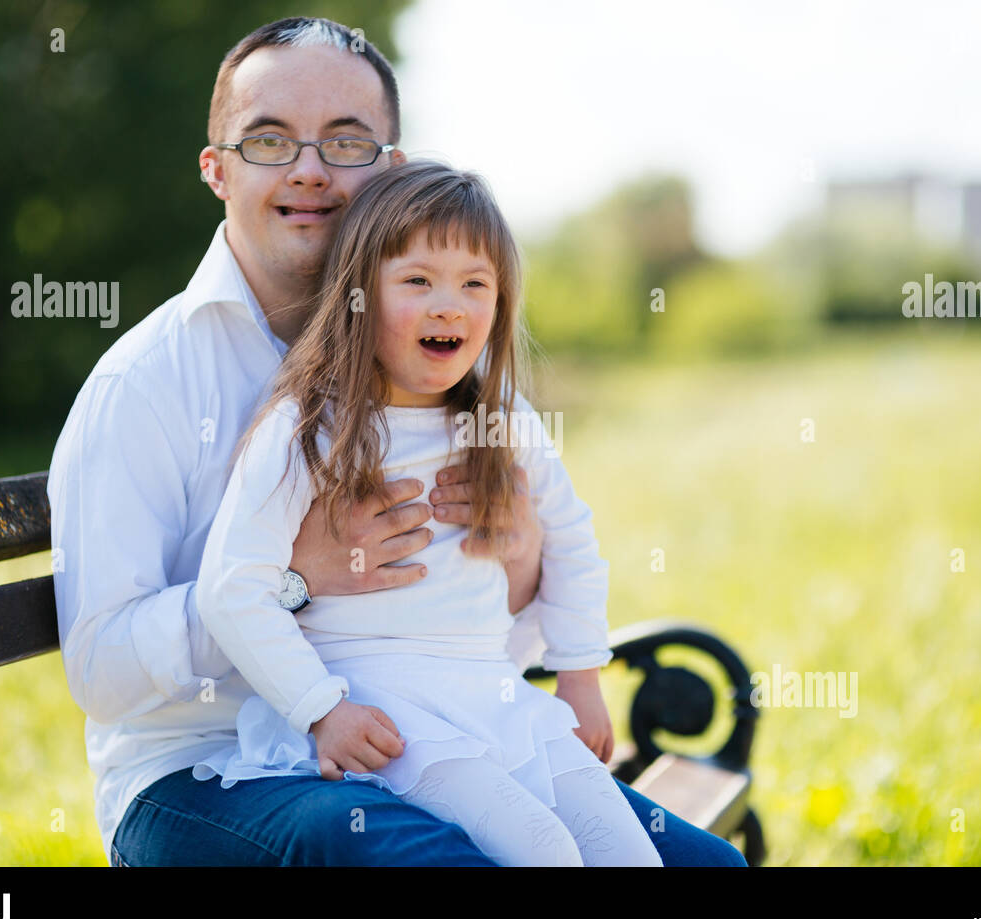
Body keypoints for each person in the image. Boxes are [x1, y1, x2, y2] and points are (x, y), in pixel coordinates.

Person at [47, 14, 747, 867]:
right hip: (205, 771)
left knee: (704, 866)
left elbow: (455, 631)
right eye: (269, 140)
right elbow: (99, 672)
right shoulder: (147, 383)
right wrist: (300, 579)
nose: (308, 169)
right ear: (217, 169)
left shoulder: (436, 367)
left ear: (391, 171)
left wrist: (519, 565)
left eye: (344, 142)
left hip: (438, 729)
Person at [191, 160, 663, 866]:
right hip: (382, 711)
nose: (450, 306)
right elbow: (232, 588)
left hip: (495, 696)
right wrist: (322, 708)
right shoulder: (306, 426)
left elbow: (572, 537)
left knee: (629, 855)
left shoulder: (502, 419)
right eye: (417, 282)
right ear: (359, 295)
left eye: (475, 285)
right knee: (543, 851)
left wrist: (580, 675)